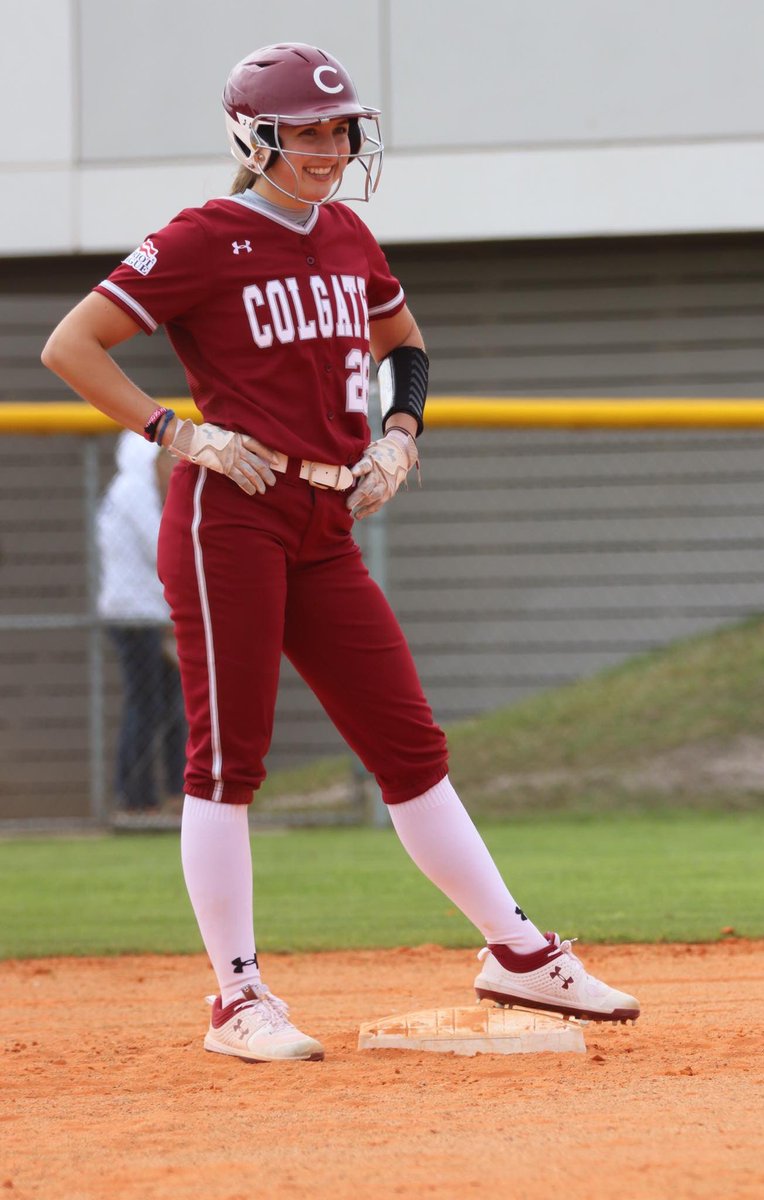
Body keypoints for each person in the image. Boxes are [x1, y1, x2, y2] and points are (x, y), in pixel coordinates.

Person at [42, 42, 639, 1063]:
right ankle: (236, 999)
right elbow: (71, 345)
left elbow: (404, 345)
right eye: (302, 131)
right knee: (228, 760)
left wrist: (399, 435)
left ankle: (516, 950)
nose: (326, 148)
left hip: (323, 525)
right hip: (230, 511)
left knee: (409, 745)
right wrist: (174, 432)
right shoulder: (203, 236)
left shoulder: (349, 234)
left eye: (337, 129)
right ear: (254, 137)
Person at [97, 431, 187, 816]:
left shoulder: (134, 490)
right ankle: (136, 796)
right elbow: (161, 547)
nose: (169, 468)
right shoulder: (133, 490)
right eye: (162, 461)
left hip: (150, 613)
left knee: (169, 705)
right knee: (146, 704)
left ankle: (172, 790)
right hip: (136, 616)